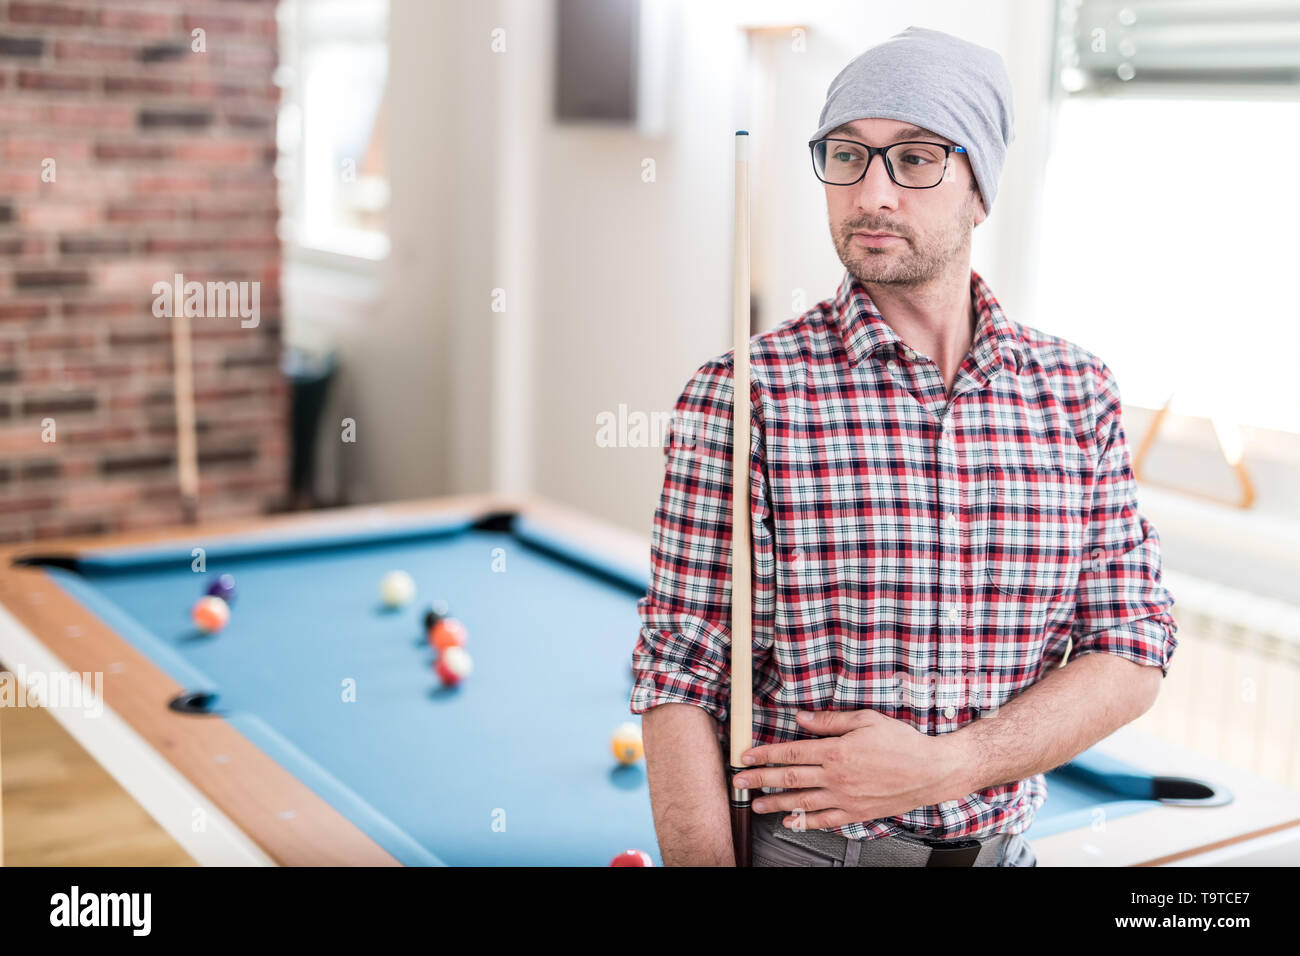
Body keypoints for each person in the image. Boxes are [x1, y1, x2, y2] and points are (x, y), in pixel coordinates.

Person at [629, 26, 1178, 867]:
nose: (872, 193)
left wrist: (944, 767)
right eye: (847, 155)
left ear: (980, 189)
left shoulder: (1077, 393)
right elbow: (678, 682)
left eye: (915, 159)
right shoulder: (744, 396)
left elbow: (1131, 644)